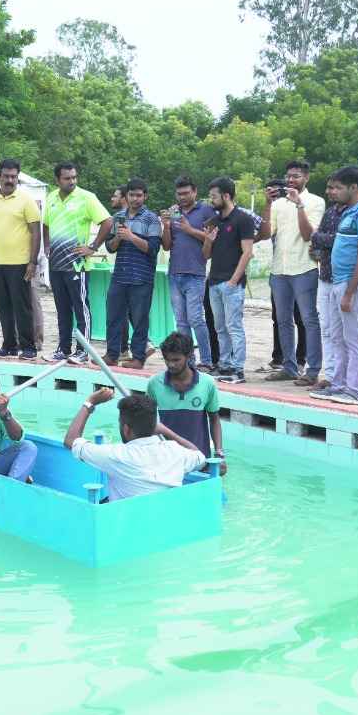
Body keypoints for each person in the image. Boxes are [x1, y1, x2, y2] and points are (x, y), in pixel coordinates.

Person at [64, 388, 207, 501]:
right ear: (154, 427)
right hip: (164, 524)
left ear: (126, 429)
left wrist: (90, 402)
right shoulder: (175, 451)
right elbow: (200, 456)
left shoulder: (116, 455)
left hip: (125, 526)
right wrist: (168, 432)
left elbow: (70, 440)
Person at [311, 167, 358, 406]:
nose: (334, 192)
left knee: (354, 337)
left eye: (339, 187)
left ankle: (355, 389)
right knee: (337, 336)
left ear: (354, 188)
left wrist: (350, 291)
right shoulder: (348, 212)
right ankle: (338, 384)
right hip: (338, 281)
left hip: (353, 284)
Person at [43, 161, 111, 363]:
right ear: (57, 180)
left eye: (74, 177)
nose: (71, 181)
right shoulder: (52, 197)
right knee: (62, 308)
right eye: (67, 178)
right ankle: (63, 349)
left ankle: (83, 351)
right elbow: (45, 224)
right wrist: (47, 246)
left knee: (81, 307)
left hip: (77, 264)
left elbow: (107, 221)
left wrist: (93, 247)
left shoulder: (87, 197)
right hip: (56, 264)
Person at [265, 160, 326, 385]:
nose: (291, 180)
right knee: (282, 320)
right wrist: (266, 203)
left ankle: (312, 370)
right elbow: (265, 233)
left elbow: (309, 235)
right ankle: (289, 367)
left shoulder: (316, 202)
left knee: (309, 319)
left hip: (304, 268)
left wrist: (299, 205)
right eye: (289, 176)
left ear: (306, 178)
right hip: (279, 270)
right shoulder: (278, 204)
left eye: (297, 176)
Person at [0, 158, 41, 360]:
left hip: (20, 263)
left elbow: (36, 232)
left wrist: (33, 261)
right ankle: (9, 345)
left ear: (17, 178)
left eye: (14, 176)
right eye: (6, 176)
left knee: (22, 307)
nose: (10, 180)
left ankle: (28, 346)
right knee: (3, 306)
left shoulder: (26, 200)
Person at [201, 177, 256, 384]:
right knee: (220, 327)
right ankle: (224, 364)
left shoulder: (243, 219)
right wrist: (208, 240)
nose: (211, 200)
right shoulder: (214, 221)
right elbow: (205, 255)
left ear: (226, 195)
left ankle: (238, 368)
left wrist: (234, 280)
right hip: (214, 280)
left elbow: (247, 252)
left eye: (214, 196)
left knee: (234, 326)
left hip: (232, 282)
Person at [160, 176, 217, 371]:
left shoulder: (206, 210)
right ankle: (188, 362)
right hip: (175, 273)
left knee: (196, 318)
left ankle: (207, 360)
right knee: (182, 322)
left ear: (195, 192)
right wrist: (166, 226)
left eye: (186, 193)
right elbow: (166, 246)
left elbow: (211, 238)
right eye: (179, 193)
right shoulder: (174, 212)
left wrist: (188, 229)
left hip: (195, 273)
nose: (182, 197)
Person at [104, 179, 162, 368]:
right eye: (131, 195)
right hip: (120, 275)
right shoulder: (118, 217)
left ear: (145, 196)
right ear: (126, 196)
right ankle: (112, 355)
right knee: (114, 317)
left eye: (139, 195)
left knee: (139, 319)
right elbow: (110, 247)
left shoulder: (151, 219)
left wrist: (131, 237)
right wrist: (118, 240)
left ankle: (138, 358)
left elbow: (153, 248)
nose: (135, 199)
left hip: (142, 278)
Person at [146, 332, 225, 471]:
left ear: (189, 356)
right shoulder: (154, 384)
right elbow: (145, 420)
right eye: (167, 359)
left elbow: (214, 419)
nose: (171, 364)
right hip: (168, 462)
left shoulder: (207, 383)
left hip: (200, 461)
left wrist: (219, 453)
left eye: (176, 360)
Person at [308, 176, 347, 390]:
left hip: (344, 278)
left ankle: (350, 376)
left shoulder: (354, 213)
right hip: (325, 275)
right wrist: (322, 238)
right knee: (327, 328)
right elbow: (317, 238)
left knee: (346, 331)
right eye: (329, 187)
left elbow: (338, 240)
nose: (330, 191)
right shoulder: (331, 212)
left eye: (335, 187)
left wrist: (322, 238)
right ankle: (331, 375)